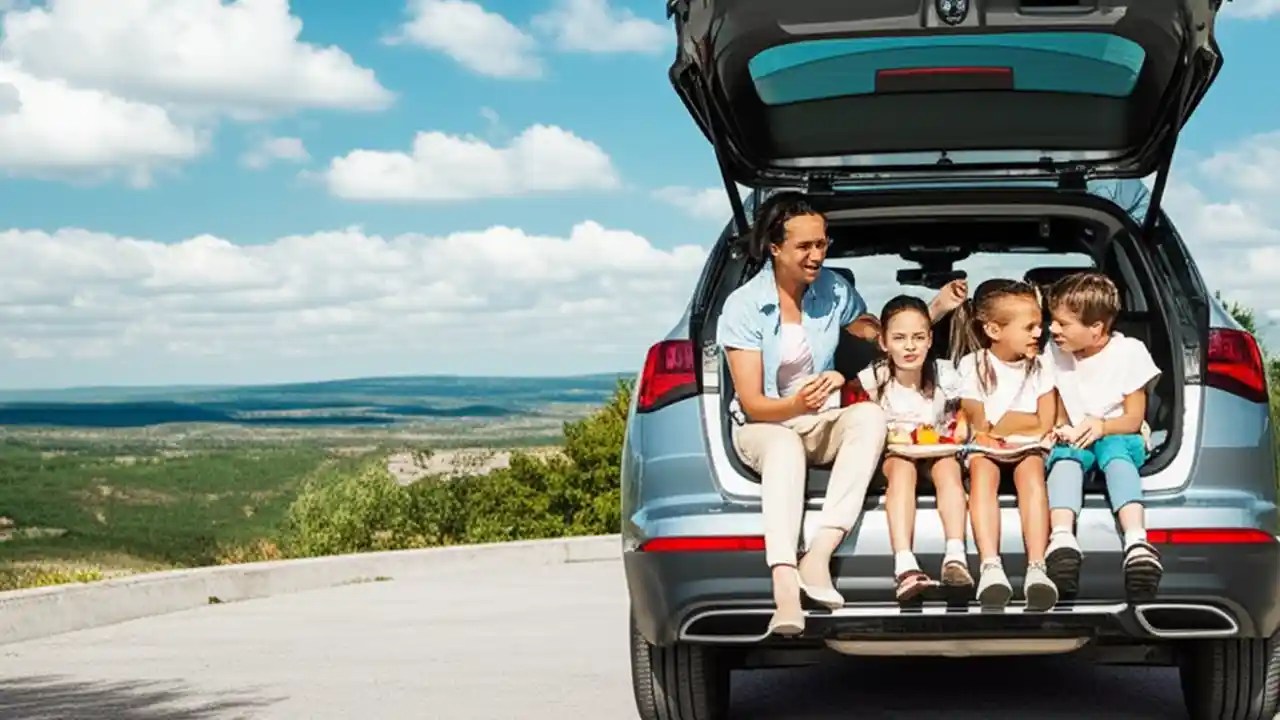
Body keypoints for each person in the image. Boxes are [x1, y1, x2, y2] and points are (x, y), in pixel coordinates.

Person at [717, 191, 965, 636]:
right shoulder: (743, 307)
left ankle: (818, 556)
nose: (817, 255)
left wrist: (927, 315)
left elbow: (876, 332)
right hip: (763, 426)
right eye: (805, 247)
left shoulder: (832, 289)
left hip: (815, 421)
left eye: (823, 243)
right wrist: (802, 402)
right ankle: (785, 590)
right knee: (784, 444)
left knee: (869, 416)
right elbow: (753, 403)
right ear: (775, 248)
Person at [1041, 271, 1163, 601]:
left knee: (1114, 453)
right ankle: (1062, 539)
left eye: (1063, 324)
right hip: (1079, 436)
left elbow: (1133, 418)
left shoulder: (1129, 352)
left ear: (1096, 328)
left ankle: (1137, 542)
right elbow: (1058, 407)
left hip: (1118, 433)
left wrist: (1101, 426)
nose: (1052, 330)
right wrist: (1061, 428)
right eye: (1053, 321)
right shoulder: (1055, 352)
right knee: (1065, 458)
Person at [849, 294, 972, 605]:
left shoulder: (944, 373)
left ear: (931, 340)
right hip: (894, 454)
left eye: (918, 337)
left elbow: (964, 412)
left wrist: (962, 425)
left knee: (949, 469)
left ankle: (955, 556)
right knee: (902, 470)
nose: (910, 346)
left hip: (938, 451)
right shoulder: (874, 378)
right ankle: (904, 564)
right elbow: (853, 415)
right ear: (884, 342)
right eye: (899, 338)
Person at [950, 279, 1059, 611]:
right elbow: (980, 427)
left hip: (1028, 448)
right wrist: (1010, 425)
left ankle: (1037, 567)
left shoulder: (1042, 365)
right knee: (982, 473)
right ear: (994, 330)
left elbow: (1045, 421)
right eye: (1029, 327)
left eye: (1039, 325)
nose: (1038, 333)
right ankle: (990, 566)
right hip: (988, 449)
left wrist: (1006, 425)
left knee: (1033, 474)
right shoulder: (974, 364)